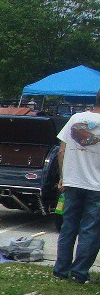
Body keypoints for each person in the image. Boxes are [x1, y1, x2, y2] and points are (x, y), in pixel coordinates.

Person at [53, 90, 100, 284]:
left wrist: (63, 177)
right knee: (90, 229)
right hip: (96, 185)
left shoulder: (75, 118)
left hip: (72, 181)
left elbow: (61, 150)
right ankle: (79, 273)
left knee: (68, 227)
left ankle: (61, 270)